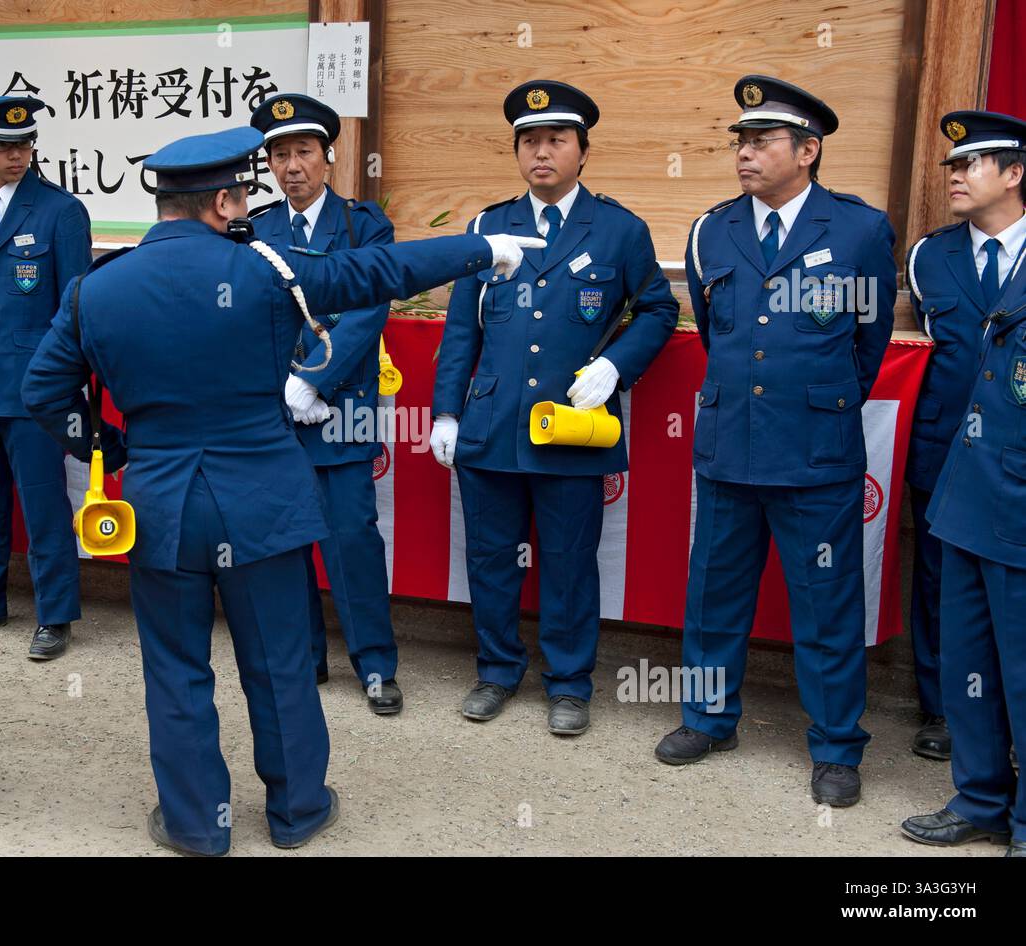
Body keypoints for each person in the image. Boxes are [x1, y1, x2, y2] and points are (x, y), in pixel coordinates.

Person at [22, 125, 540, 855]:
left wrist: (115, 449)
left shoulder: (96, 288)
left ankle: (197, 825)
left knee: (176, 672)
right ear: (227, 200)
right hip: (259, 503)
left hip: (160, 503)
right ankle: (297, 811)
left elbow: (42, 392)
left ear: (164, 203)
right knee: (277, 664)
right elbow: (378, 273)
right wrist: (481, 250)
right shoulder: (269, 272)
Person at [653, 76, 897, 808]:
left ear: (808, 151)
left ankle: (835, 746)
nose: (745, 155)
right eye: (741, 142)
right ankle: (707, 718)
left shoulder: (858, 230)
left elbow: (869, 340)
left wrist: (814, 398)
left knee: (825, 600)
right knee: (715, 594)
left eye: (762, 143)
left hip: (815, 450)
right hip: (730, 444)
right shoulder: (713, 229)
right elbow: (717, 324)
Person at [429, 80, 678, 736]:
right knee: (489, 555)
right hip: (490, 425)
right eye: (529, 141)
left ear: (582, 152)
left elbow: (659, 307)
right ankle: (496, 670)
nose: (541, 152)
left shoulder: (619, 230)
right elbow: (463, 329)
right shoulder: (489, 226)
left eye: (555, 140)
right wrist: (446, 412)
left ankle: (569, 682)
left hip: (569, 428)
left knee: (568, 560)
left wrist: (615, 366)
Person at [249, 92, 403, 714]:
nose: (292, 166)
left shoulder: (365, 225)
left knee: (352, 539)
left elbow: (369, 305)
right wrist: (280, 385)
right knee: (283, 542)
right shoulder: (255, 230)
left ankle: (375, 665)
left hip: (344, 406)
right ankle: (302, 660)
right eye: (280, 154)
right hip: (274, 414)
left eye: (303, 152)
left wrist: (316, 377)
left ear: (328, 157)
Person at [900, 111, 1026, 857]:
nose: (955, 171)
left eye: (975, 161)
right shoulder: (929, 256)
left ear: (1015, 174)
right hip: (958, 485)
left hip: (1018, 490)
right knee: (970, 656)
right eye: (953, 161)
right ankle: (979, 797)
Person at [0, 96, 92, 660]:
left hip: (35, 387)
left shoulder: (58, 210)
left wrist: (64, 382)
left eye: (25, 144)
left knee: (43, 501)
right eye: (3, 146)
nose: (16, 155)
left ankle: (55, 611)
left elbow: (75, 305)